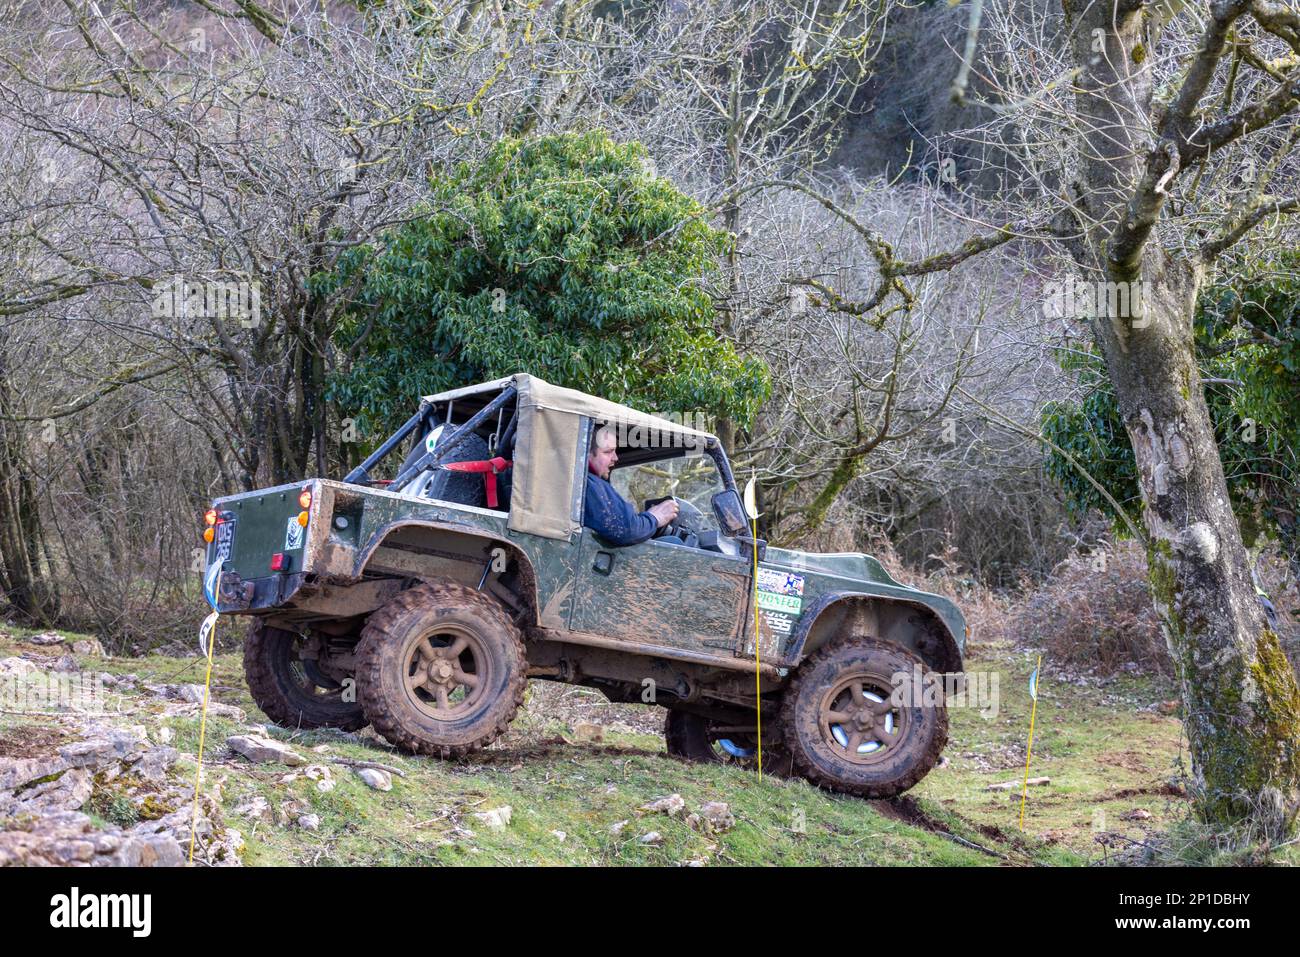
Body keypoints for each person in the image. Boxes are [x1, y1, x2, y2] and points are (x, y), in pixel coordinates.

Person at [583, 425, 678, 545]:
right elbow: (625, 530)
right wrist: (655, 518)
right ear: (586, 454)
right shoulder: (588, 484)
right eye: (608, 452)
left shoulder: (588, 483)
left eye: (615, 451)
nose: (615, 458)